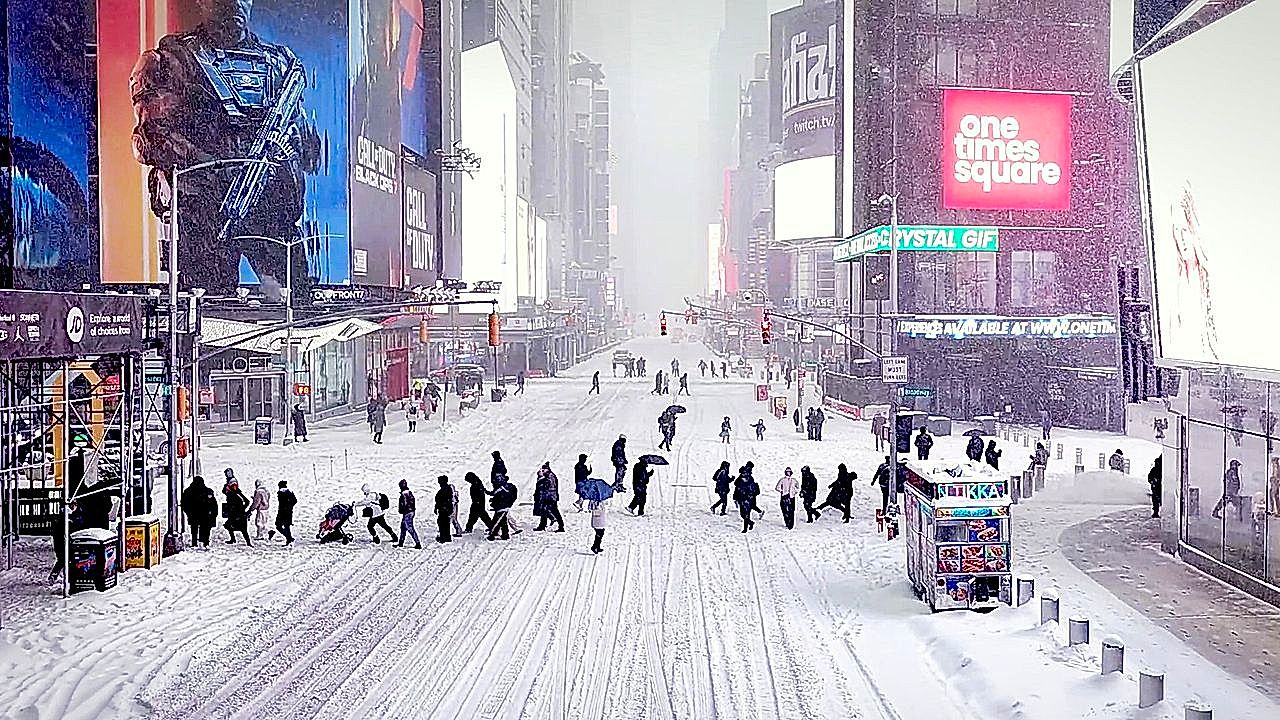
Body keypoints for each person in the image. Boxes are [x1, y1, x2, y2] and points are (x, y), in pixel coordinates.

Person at [129, 0, 320, 295]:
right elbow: (151, 138)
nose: (234, 3)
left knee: (297, 307)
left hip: (272, 213)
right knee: (208, 311)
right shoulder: (173, 61)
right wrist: (215, 166)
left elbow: (308, 147)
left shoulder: (280, 64)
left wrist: (286, 148)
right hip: (206, 213)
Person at [221, 475, 252, 545]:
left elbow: (247, 501)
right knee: (229, 526)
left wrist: (241, 509)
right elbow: (223, 491)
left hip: (239, 514)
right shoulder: (230, 493)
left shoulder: (237, 493)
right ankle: (233, 539)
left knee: (243, 529)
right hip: (234, 514)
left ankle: (248, 542)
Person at [534, 462, 565, 531]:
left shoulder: (550, 476)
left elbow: (547, 486)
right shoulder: (547, 476)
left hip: (550, 497)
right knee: (544, 511)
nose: (543, 471)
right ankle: (542, 526)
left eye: (544, 470)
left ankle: (561, 526)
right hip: (547, 497)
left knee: (555, 512)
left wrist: (540, 478)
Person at [488, 475, 518, 541]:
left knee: (496, 521)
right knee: (503, 522)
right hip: (503, 508)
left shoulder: (501, 489)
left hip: (501, 508)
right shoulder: (505, 488)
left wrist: (493, 503)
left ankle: (492, 534)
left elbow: (497, 497)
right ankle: (505, 535)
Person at [396, 479, 422, 548]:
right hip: (411, 512)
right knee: (403, 527)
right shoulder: (410, 493)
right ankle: (401, 543)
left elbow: (404, 505)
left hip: (407, 513)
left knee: (410, 528)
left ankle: (417, 543)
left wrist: (401, 510)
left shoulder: (404, 494)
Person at [271, 480, 297, 544]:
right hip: (289, 512)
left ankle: (289, 538)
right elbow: (295, 501)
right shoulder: (290, 492)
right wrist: (290, 507)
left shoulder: (280, 493)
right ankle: (289, 538)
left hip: (282, 512)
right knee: (287, 526)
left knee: (278, 526)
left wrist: (285, 507)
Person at [434, 476, 454, 543]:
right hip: (446, 509)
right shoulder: (448, 488)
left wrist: (438, 507)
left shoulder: (444, 490)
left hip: (443, 509)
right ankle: (447, 537)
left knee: (442, 523)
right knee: (445, 523)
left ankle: (443, 537)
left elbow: (440, 500)